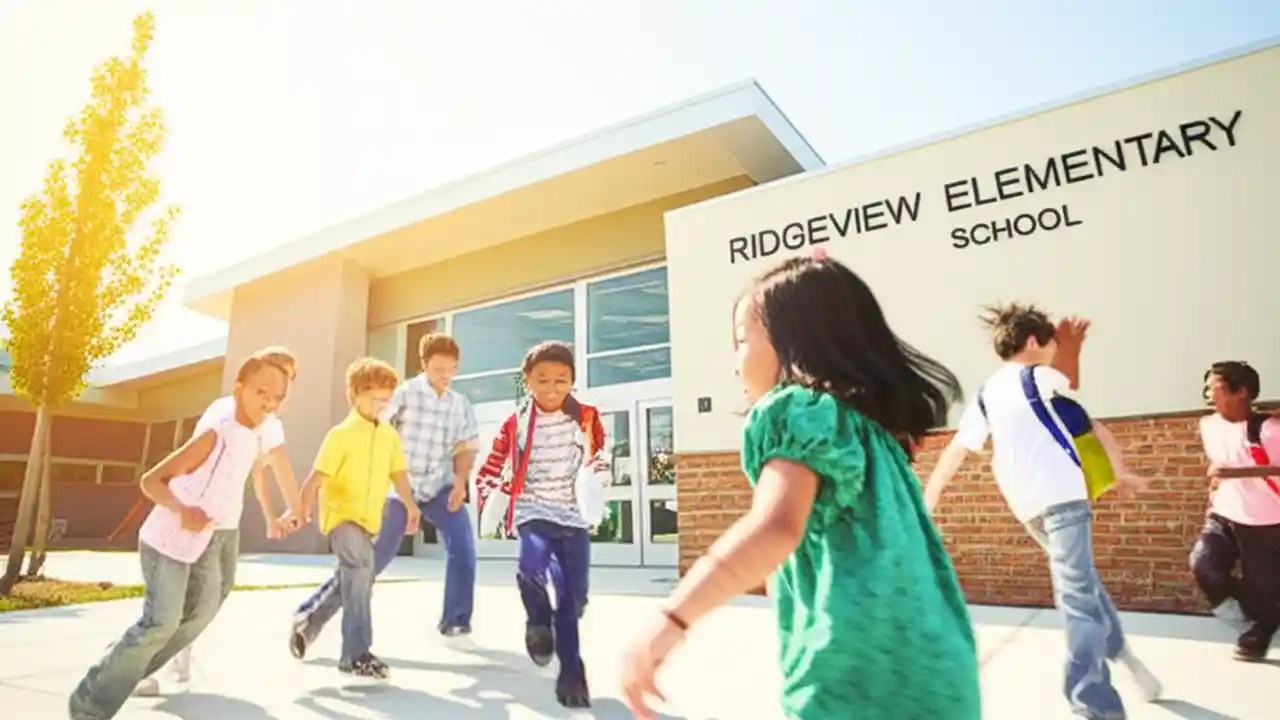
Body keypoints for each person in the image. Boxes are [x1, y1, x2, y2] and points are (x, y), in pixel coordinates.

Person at [620, 251, 981, 720]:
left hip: (857, 682)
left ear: (793, 341)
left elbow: (775, 528)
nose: (734, 362)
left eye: (739, 340)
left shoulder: (795, 411)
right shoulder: (878, 435)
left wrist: (669, 620)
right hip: (941, 672)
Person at [923, 302, 1160, 719]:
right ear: (1033, 342)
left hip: (1029, 505)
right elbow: (1070, 378)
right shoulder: (1034, 374)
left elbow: (957, 450)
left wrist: (929, 499)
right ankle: (1096, 704)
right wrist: (1073, 345)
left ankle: (1126, 663)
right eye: (1050, 345)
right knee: (1081, 595)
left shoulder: (986, 392)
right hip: (1059, 499)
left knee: (1080, 591)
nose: (1054, 352)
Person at [69, 350, 293, 720]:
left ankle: (120, 675)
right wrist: (182, 509)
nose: (269, 402)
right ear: (239, 388)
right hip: (164, 542)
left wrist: (285, 512)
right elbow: (151, 480)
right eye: (261, 392)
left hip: (200, 543)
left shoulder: (254, 436)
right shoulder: (215, 434)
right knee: (162, 621)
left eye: (277, 397)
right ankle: (88, 706)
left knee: (199, 616)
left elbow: (261, 478)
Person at [290, 333, 478, 658]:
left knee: (463, 542)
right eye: (438, 369)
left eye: (451, 370)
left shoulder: (459, 404)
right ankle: (312, 615)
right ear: (424, 365)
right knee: (371, 562)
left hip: (436, 485)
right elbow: (371, 428)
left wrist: (461, 482)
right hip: (398, 487)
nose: (445, 376)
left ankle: (455, 621)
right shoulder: (403, 394)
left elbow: (465, 446)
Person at [131, 347, 304, 696]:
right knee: (192, 602)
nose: (279, 389)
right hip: (202, 522)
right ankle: (134, 665)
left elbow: (258, 472)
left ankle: (175, 651)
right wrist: (297, 507)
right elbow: (280, 463)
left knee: (213, 596)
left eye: (288, 381)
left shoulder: (258, 421)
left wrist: (274, 515)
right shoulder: (234, 414)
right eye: (275, 375)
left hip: (227, 523)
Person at [476, 340, 608, 709]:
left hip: (573, 516)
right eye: (542, 380)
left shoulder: (586, 417)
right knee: (530, 565)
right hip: (533, 510)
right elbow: (492, 465)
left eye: (561, 381)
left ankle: (561, 641)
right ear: (527, 381)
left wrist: (601, 476)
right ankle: (563, 659)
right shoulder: (515, 422)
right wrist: (493, 494)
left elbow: (600, 456)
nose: (551, 389)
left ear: (573, 381)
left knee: (573, 597)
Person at [298, 357, 422, 679]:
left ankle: (309, 622)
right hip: (342, 519)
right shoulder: (340, 435)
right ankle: (356, 654)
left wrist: (411, 506)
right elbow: (316, 477)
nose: (380, 405)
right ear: (353, 394)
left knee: (353, 580)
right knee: (360, 570)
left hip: (370, 523)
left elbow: (399, 474)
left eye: (385, 398)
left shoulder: (389, 437)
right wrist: (301, 508)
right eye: (373, 397)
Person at [1191, 360, 1280, 662]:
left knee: (1265, 588)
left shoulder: (1270, 430)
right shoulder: (1208, 425)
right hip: (1224, 514)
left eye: (1212, 386)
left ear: (1241, 391)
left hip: (1267, 521)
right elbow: (1219, 465)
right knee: (1204, 564)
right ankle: (1249, 619)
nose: (1206, 392)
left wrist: (1234, 473)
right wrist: (1218, 483)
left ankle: (1260, 631)